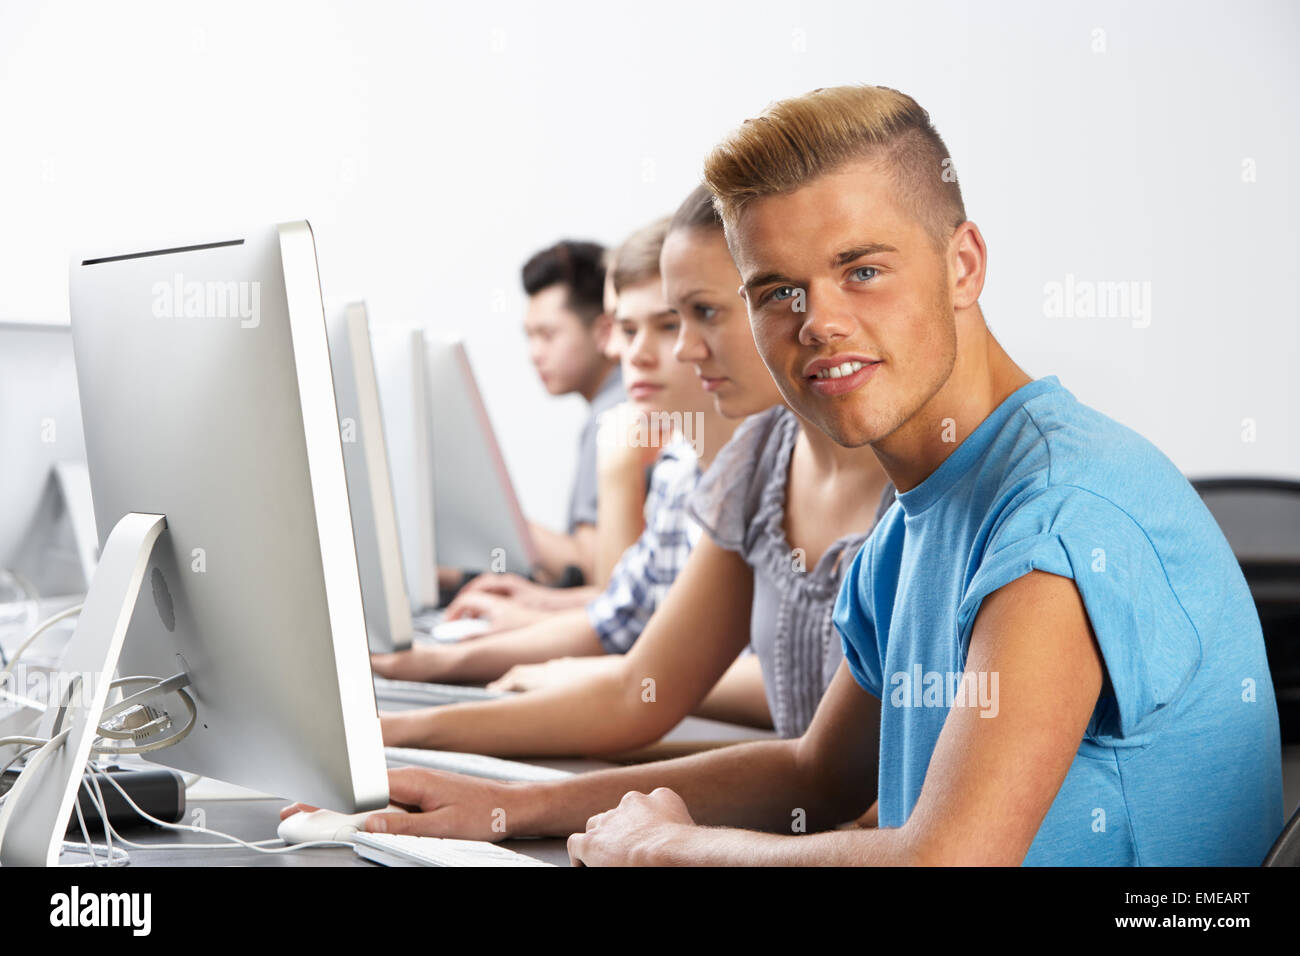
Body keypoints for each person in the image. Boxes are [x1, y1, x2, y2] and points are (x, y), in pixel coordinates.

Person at [293, 86, 1281, 867]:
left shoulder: (1055, 515)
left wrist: (671, 845)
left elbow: (947, 860)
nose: (818, 322)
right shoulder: (918, 513)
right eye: (776, 290)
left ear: (963, 263)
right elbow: (814, 764)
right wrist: (515, 804)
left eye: (862, 269)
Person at [355, 181, 893, 761]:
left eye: (692, 318)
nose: (641, 354)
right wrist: (426, 685)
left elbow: (805, 731)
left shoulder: (890, 489)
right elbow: (625, 626)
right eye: (630, 329)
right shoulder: (736, 466)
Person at [371, 216, 745, 695]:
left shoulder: (633, 426)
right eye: (628, 329)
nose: (633, 352)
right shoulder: (679, 466)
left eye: (547, 334)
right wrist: (449, 659)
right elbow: (625, 610)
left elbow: (604, 581)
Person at [500, 240, 624, 587]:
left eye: (548, 335)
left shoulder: (613, 413)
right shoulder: (614, 404)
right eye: (529, 337)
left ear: (603, 331)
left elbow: (587, 568)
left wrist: (495, 517)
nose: (533, 353)